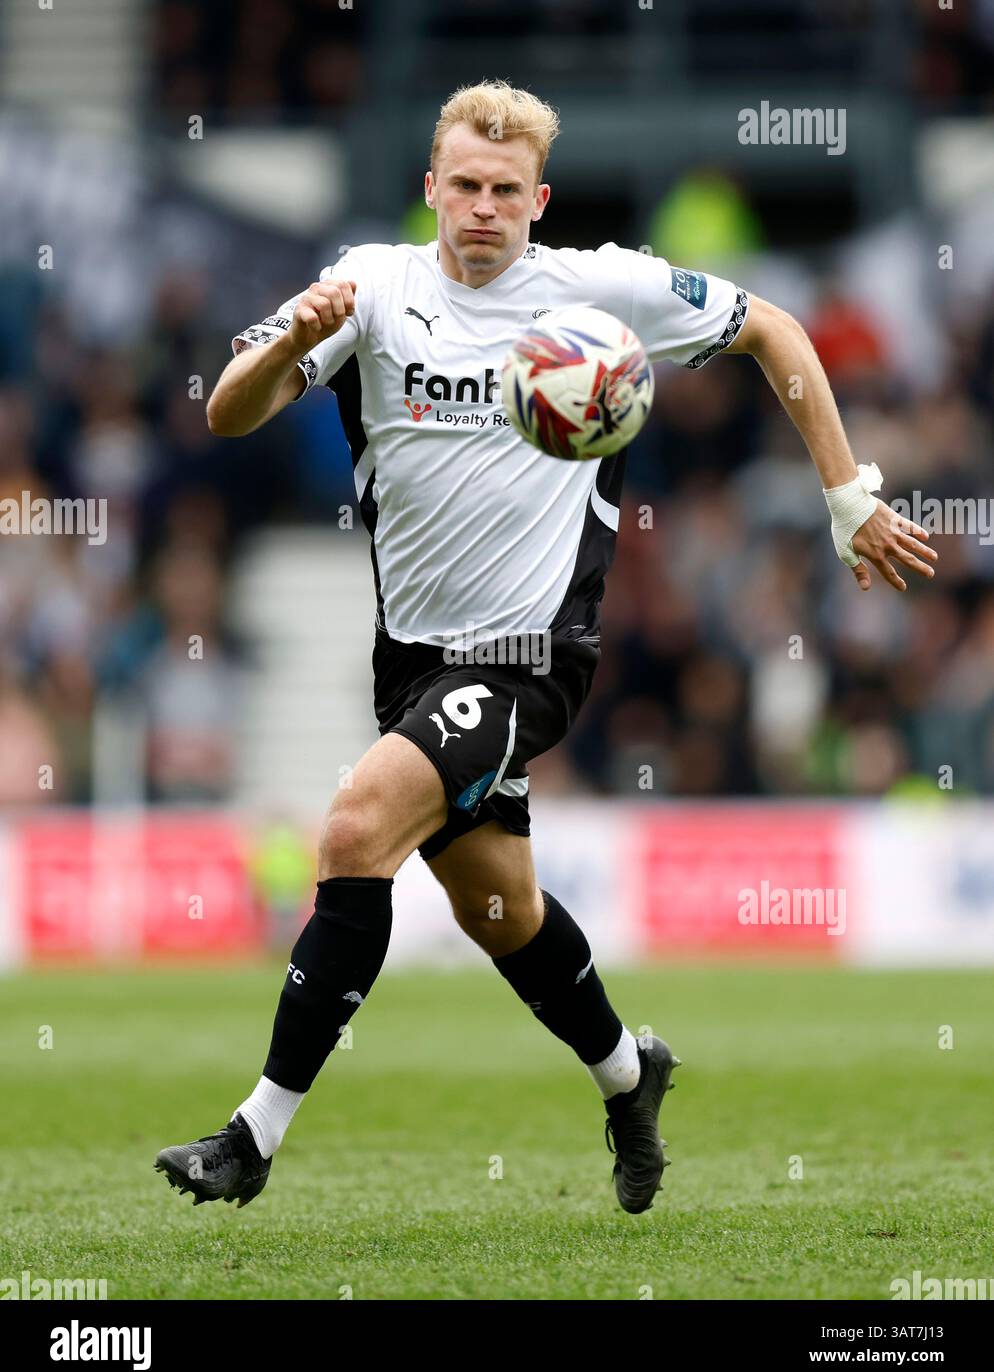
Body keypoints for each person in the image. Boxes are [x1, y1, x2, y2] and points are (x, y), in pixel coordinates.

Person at [154, 79, 937, 1215]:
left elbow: (777, 328)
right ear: (430, 188)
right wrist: (292, 350)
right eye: (463, 186)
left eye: (504, 191)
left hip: (530, 656)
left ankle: (253, 1135)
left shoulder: (595, 296)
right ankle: (630, 1071)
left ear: (538, 199)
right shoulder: (370, 285)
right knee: (500, 912)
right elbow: (224, 410)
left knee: (354, 827)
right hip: (410, 659)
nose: (481, 208)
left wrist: (847, 497)